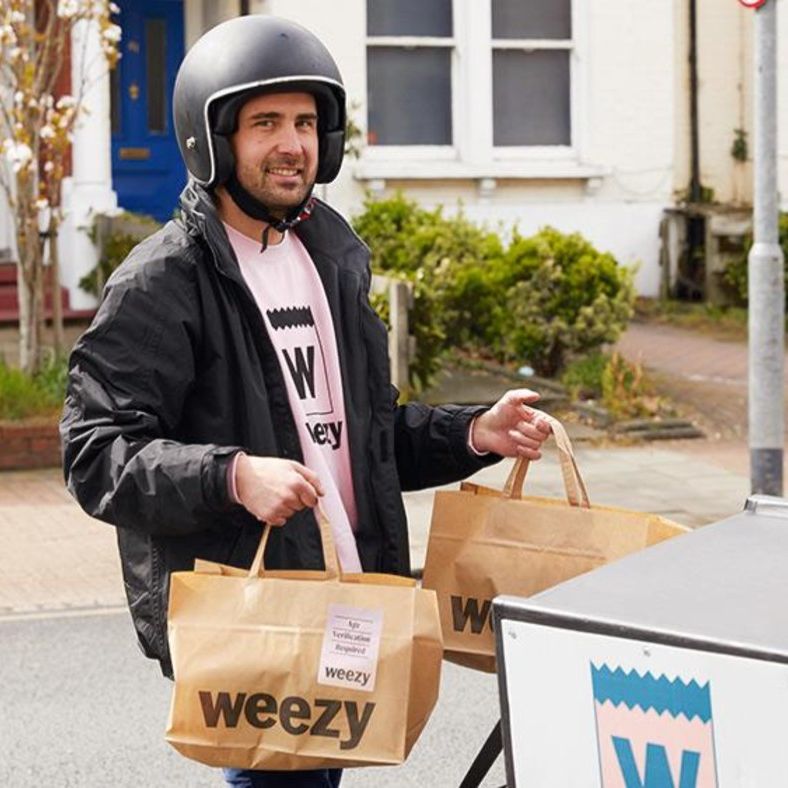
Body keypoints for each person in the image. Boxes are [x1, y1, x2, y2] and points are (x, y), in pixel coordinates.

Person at [60, 15, 551, 788]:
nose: (292, 144)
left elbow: (361, 438)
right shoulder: (164, 281)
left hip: (348, 599)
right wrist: (231, 475)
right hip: (256, 614)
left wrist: (474, 433)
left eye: (305, 122)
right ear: (212, 139)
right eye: (265, 123)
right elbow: (96, 454)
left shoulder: (331, 256)